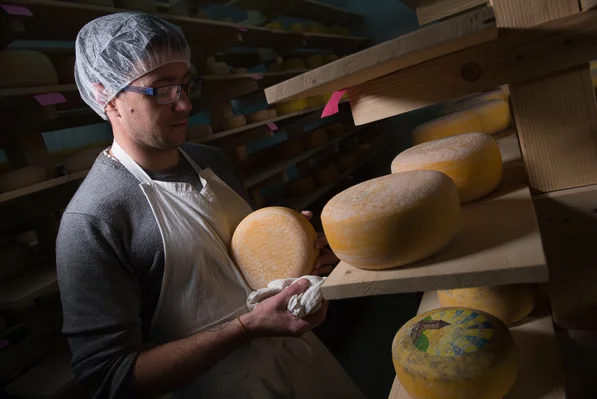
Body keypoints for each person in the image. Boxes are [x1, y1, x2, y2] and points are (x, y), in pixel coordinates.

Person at [56, 12, 365, 399]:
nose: (185, 105)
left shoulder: (211, 161)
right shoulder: (93, 219)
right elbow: (108, 377)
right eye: (162, 89)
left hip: (306, 370)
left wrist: (294, 267)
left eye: (186, 85)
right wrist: (247, 328)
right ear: (107, 95)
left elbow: (237, 275)